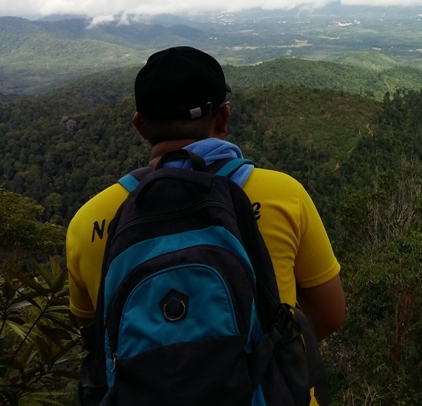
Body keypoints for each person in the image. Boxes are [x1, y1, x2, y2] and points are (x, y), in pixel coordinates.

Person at [66, 46, 346, 404]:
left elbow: (97, 334)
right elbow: (330, 315)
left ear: (140, 125)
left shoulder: (88, 222)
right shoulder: (283, 195)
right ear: (224, 117)